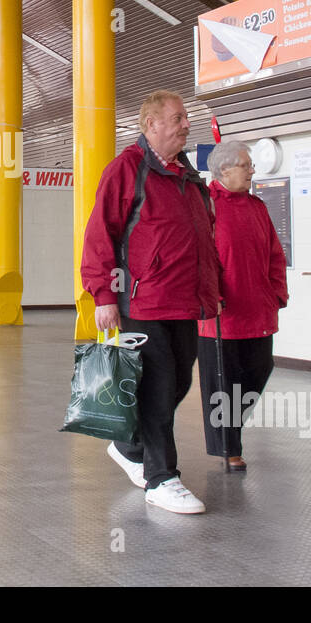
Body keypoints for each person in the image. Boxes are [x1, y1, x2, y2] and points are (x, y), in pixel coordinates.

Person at [81, 89, 220, 515]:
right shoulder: (127, 170)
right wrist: (103, 294)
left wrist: (215, 292)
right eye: (178, 118)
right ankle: (161, 478)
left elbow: (204, 241)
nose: (185, 125)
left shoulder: (188, 176)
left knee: (179, 383)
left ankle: (127, 445)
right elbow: (99, 234)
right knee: (159, 389)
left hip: (186, 301)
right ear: (151, 125)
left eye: (185, 119)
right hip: (142, 301)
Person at [197, 141, 287, 473]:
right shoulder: (205, 206)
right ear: (224, 170)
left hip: (259, 311)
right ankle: (229, 448)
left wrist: (277, 293)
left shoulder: (258, 207)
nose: (252, 170)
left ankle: (230, 430)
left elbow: (275, 255)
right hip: (221, 316)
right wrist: (209, 295)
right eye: (246, 165)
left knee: (260, 370)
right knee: (223, 384)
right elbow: (197, 258)